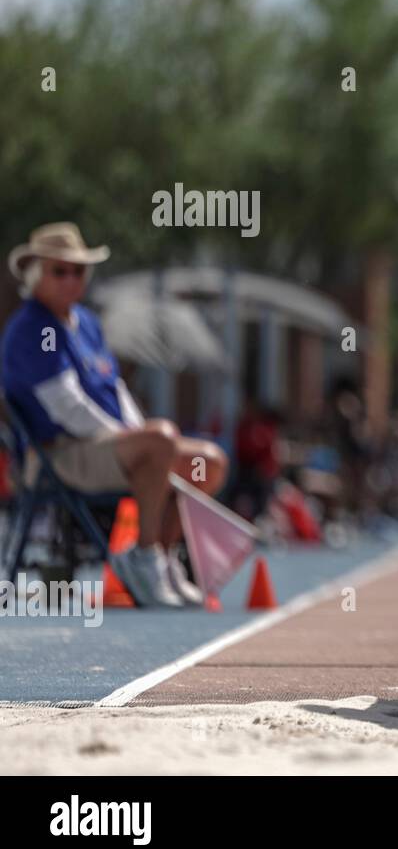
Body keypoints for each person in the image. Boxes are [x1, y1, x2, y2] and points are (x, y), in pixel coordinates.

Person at [2, 222, 229, 606]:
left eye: (79, 270)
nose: (72, 279)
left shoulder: (87, 323)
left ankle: (156, 554)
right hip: (57, 456)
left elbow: (115, 389)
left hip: (104, 448)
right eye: (61, 270)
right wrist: (138, 441)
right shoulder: (31, 329)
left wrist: (143, 439)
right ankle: (144, 557)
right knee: (159, 440)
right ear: (37, 273)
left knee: (209, 462)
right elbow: (67, 408)